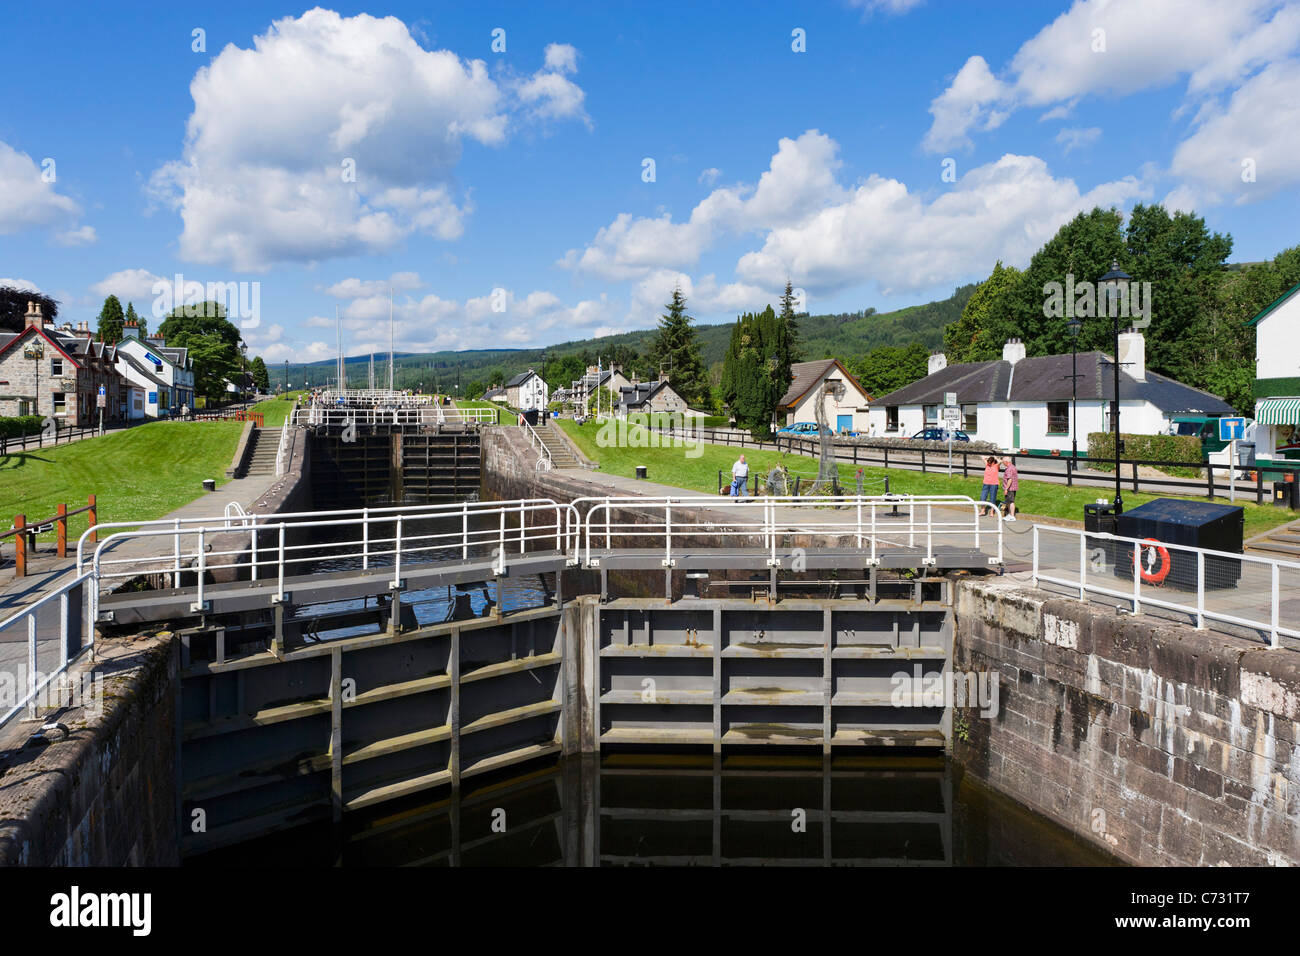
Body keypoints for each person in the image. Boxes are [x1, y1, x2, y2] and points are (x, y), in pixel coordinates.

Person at [1000, 456, 1019, 521]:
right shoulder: (1013, 467)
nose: (1002, 463)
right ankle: (1010, 515)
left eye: (1003, 462)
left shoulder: (1009, 469)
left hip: (1010, 488)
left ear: (1006, 462)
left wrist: (1006, 489)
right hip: (1013, 487)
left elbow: (1009, 480)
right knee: (1008, 501)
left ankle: (1012, 516)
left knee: (1011, 502)